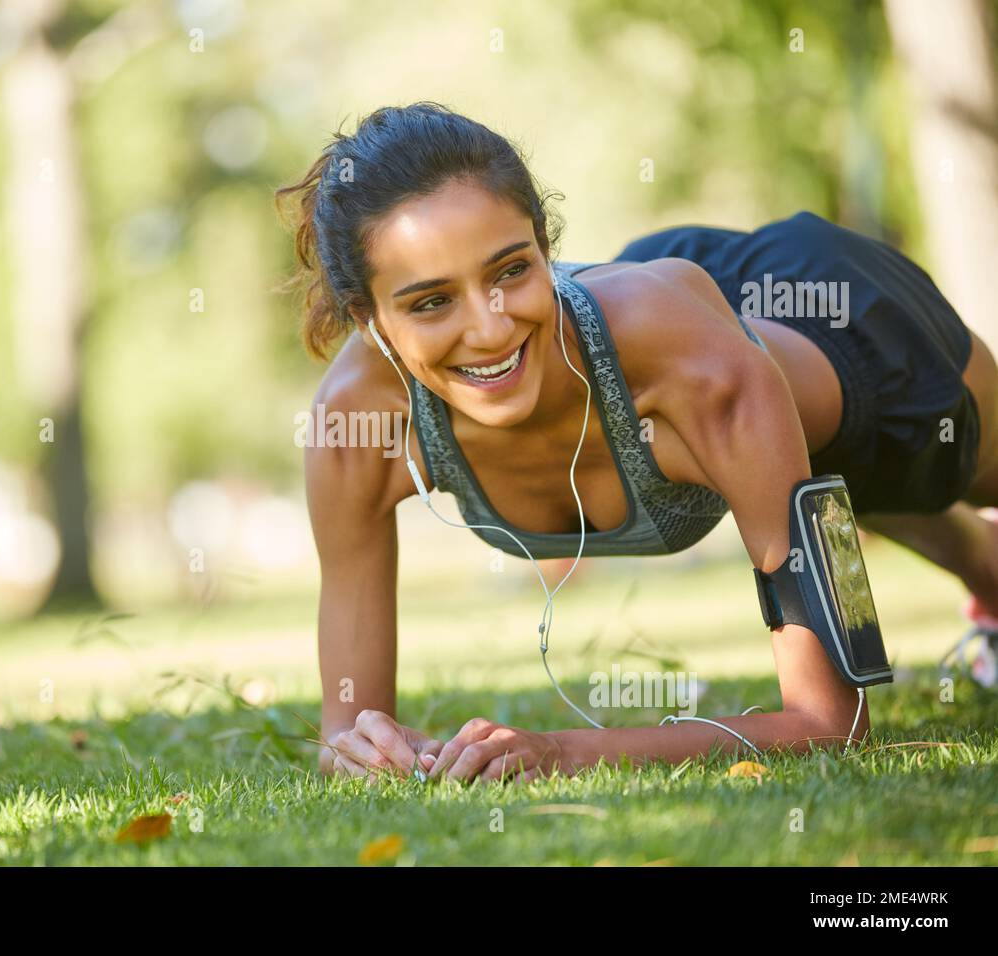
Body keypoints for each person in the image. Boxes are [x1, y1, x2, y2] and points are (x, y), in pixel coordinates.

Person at [273, 101, 998, 784]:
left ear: (547, 248)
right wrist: (363, 749)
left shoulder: (692, 372)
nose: (490, 329)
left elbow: (832, 724)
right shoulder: (357, 425)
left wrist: (561, 751)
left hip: (865, 350)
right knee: (871, 518)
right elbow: (347, 724)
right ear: (367, 319)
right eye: (431, 301)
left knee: (918, 477)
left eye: (512, 270)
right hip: (692, 336)